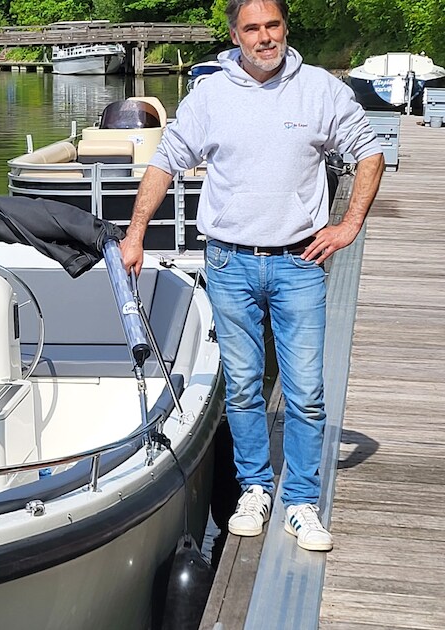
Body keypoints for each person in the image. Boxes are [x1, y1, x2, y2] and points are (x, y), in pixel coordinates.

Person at [119, 0, 384, 552]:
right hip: (228, 262)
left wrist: (348, 225)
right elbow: (165, 161)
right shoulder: (210, 95)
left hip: (300, 261)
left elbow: (370, 151)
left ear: (286, 27)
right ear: (235, 35)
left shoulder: (320, 90)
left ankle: (303, 502)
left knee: (306, 392)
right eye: (252, 29)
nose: (264, 38)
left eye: (273, 26)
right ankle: (256, 489)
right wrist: (136, 235)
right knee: (241, 388)